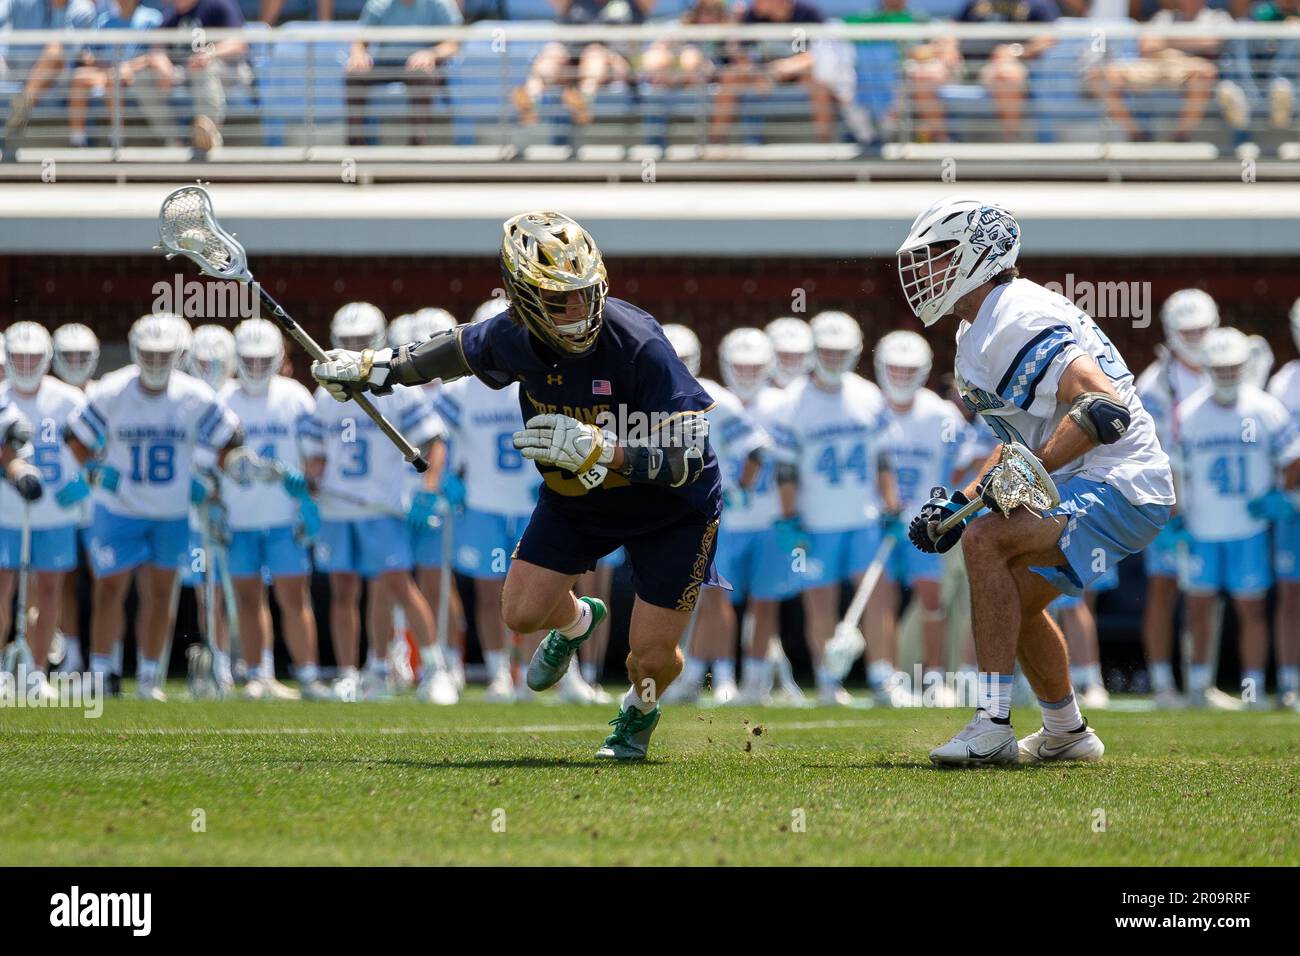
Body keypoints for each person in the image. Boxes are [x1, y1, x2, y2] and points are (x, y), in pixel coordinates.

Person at [309, 211, 725, 759]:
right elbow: (446, 353)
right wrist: (369, 368)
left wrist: (605, 449)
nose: (577, 311)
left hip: (671, 507)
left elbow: (689, 457)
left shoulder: (639, 343)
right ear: (522, 299)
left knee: (647, 657)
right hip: (580, 496)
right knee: (521, 612)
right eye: (559, 299)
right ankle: (578, 621)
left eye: (585, 292)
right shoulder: (513, 335)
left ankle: (638, 711)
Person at [898, 197, 1175, 765]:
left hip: (1119, 477)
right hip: (1105, 480)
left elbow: (1102, 405)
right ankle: (1067, 733)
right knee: (1009, 601)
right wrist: (962, 503)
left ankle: (993, 723)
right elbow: (1016, 443)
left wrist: (1028, 476)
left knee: (986, 542)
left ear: (980, 254)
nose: (924, 271)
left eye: (938, 255)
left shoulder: (1017, 313)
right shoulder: (980, 329)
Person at [65, 314, 242, 701]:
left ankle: (149, 676)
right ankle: (100, 671)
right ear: (135, 351)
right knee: (109, 589)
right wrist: (95, 473)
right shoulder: (113, 390)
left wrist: (210, 477)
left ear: (178, 354)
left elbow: (231, 439)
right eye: (149, 353)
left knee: (161, 593)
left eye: (164, 354)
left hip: (170, 510)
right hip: (118, 508)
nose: (157, 361)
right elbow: (75, 438)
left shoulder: (193, 395)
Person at [301, 302, 448, 702]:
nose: (352, 347)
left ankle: (435, 669)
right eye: (347, 341)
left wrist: (428, 490)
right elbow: (316, 453)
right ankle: (355, 673)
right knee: (342, 590)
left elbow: (434, 442)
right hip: (337, 505)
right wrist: (309, 484)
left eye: (361, 341)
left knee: (398, 585)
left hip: (382, 506)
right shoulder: (325, 391)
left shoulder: (397, 389)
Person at [769, 310, 895, 706]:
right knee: (819, 603)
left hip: (864, 518)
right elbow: (785, 470)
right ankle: (827, 682)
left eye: (841, 351)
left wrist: (891, 507)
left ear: (855, 351)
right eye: (826, 350)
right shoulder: (792, 402)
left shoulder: (868, 395)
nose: (833, 357)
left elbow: (883, 459)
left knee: (877, 599)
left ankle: (882, 678)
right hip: (814, 521)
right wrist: (790, 519)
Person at [430, 319, 554, 703]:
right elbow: (439, 436)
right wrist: (448, 475)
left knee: (540, 594)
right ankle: (500, 671)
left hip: (533, 504)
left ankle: (533, 675)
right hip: (483, 503)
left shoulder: (541, 381)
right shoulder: (464, 389)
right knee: (488, 594)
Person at [1177, 327, 1300, 710]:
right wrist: (1175, 514)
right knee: (1198, 609)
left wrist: (1283, 494)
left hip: (1248, 528)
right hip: (1202, 527)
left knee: (1252, 611)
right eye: (1221, 368)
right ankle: (1199, 688)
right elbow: (1176, 470)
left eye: (1234, 367)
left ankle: (1251, 692)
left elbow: (1293, 457)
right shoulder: (1190, 412)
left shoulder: (1264, 407)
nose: (1227, 375)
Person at [220, 319, 332, 700]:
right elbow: (211, 457)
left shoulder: (295, 396)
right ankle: (258, 673)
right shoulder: (224, 398)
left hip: (284, 515)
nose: (254, 368)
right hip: (239, 514)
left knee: (293, 596)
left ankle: (308, 675)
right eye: (248, 360)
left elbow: (315, 455)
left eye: (262, 360)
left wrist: (307, 492)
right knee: (247, 597)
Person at [660, 323, 765, 705]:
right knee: (678, 598)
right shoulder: (642, 394)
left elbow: (756, 449)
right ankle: (688, 674)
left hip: (708, 516)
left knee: (714, 597)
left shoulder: (713, 398)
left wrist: (736, 492)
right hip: (666, 516)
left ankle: (722, 675)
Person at [874, 330, 967, 707]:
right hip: (878, 520)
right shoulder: (870, 407)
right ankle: (889, 676)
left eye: (908, 369)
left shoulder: (941, 414)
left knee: (931, 598)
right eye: (894, 368)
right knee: (883, 598)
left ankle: (934, 677)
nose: (900, 376)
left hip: (925, 522)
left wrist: (941, 507)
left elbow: (960, 466)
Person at [1135, 288, 1215, 706]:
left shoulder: (1224, 368)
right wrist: (1168, 504)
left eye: (1203, 329)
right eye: (1188, 330)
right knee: (1163, 589)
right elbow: (1151, 448)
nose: (1197, 337)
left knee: (1206, 593)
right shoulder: (1154, 383)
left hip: (1215, 501)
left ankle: (1202, 683)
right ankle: (1163, 682)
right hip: (1170, 502)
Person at [0, 323, 85, 699]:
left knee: (50, 589)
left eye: (33, 356)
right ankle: (4, 668)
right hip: (5, 509)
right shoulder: (1, 397)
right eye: (18, 356)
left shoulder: (68, 399)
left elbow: (96, 444)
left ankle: (36, 671)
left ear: (46, 358)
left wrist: (81, 485)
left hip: (54, 511)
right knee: (3, 588)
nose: (25, 363)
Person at [714, 326, 796, 704]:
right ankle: (722, 677)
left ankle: (756, 680)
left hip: (768, 519)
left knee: (766, 603)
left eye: (754, 366)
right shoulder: (716, 401)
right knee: (719, 603)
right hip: (725, 521)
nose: (746, 373)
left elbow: (786, 462)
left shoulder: (783, 403)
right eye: (739, 366)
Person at [118, 0, 250, 153]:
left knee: (202, 68)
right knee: (142, 79)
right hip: (188, 72)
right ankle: (174, 140)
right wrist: (161, 63)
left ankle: (208, 134)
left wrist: (210, 53)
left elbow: (239, 43)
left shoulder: (217, 4)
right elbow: (157, 48)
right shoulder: (172, 15)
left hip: (227, 69)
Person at [512, 0, 655, 127]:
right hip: (573, 64)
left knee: (595, 54)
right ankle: (530, 99)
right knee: (552, 52)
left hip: (616, 66)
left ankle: (583, 101)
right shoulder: (573, 3)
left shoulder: (634, 4)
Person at [710, 0, 836, 144]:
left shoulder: (807, 13)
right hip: (761, 73)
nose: (755, 2)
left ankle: (825, 144)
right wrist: (759, 74)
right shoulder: (752, 15)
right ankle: (716, 142)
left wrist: (786, 66)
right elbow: (742, 57)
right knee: (730, 77)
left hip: (797, 73)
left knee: (819, 82)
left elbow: (818, 54)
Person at [49, 323, 99, 675]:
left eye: (82, 355)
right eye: (69, 356)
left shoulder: (104, 393)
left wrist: (92, 480)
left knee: (106, 580)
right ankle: (71, 656)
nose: (76, 362)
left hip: (99, 503)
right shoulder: (47, 396)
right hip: (57, 503)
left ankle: (103, 658)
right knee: (61, 580)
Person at [345, 0, 462, 147]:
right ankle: (355, 144)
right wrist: (359, 55)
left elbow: (454, 43)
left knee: (422, 74)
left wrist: (431, 54)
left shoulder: (439, 3)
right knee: (355, 74)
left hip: (422, 66)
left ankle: (418, 144)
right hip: (387, 62)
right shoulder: (379, 4)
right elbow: (359, 41)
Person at [1, 0, 97, 160]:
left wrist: (59, 9)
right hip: (17, 73)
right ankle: (22, 105)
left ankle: (23, 103)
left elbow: (69, 51)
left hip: (60, 78)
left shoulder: (83, 8)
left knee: (54, 52)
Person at [67, 0, 163, 149]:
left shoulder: (151, 17)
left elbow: (156, 54)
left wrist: (128, 66)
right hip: (107, 71)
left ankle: (116, 141)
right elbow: (91, 53)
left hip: (135, 74)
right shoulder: (105, 20)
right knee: (79, 76)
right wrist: (92, 59)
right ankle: (77, 141)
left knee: (114, 80)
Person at [1267, 297, 1300, 709]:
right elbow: (1279, 451)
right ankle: (1291, 683)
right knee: (1290, 596)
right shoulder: (1283, 381)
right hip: (1292, 507)